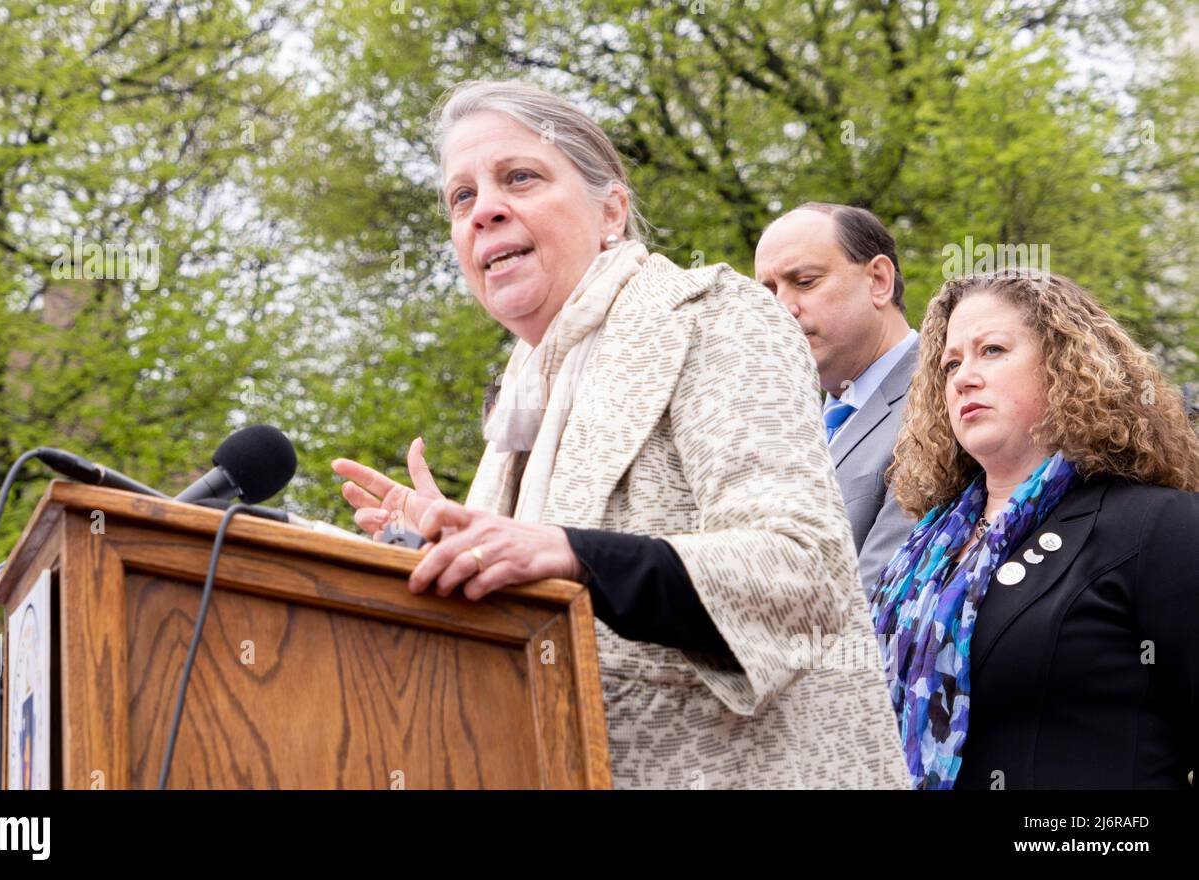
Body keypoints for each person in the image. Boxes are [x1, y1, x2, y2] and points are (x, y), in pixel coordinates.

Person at [332, 80, 907, 789]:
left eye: (519, 177)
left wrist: (573, 556)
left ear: (611, 211)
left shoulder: (714, 317)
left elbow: (802, 571)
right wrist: (440, 557)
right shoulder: (522, 404)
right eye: (461, 196)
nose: (485, 210)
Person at [872, 270, 1199, 789]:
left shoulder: (1157, 526)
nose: (962, 377)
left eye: (993, 350)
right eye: (950, 363)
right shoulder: (924, 550)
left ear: (1065, 363)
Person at [755, 204, 918, 600]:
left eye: (805, 282)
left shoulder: (943, 401)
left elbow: (875, 605)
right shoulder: (785, 428)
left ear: (878, 280)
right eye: (768, 292)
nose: (782, 308)